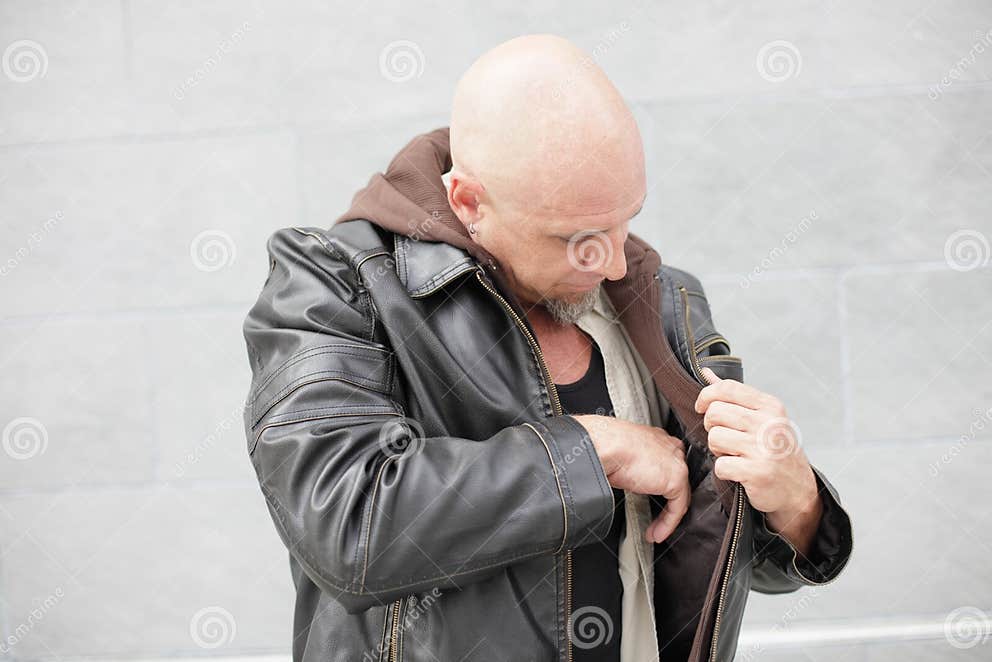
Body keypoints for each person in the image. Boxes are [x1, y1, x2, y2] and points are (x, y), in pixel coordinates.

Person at [241, 33, 853, 662]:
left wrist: (795, 504)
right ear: (468, 203)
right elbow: (349, 526)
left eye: (626, 220)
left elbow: (719, 559)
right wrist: (596, 451)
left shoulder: (663, 301)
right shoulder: (335, 283)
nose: (616, 264)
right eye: (577, 236)